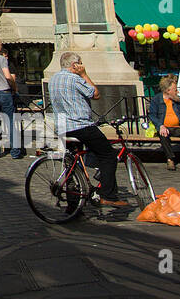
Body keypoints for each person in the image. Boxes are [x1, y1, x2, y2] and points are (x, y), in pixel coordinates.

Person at [49, 51, 126, 206]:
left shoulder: (54, 79)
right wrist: (84, 74)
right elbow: (95, 94)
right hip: (80, 125)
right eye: (81, 63)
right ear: (75, 65)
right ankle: (108, 195)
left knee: (71, 164)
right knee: (108, 155)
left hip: (63, 126)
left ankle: (73, 205)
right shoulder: (74, 79)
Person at [147, 76, 180, 170]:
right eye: (175, 89)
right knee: (163, 134)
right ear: (167, 90)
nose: (177, 91)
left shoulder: (176, 100)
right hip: (165, 127)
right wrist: (160, 125)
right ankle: (170, 159)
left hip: (178, 128)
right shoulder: (157, 100)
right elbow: (152, 115)